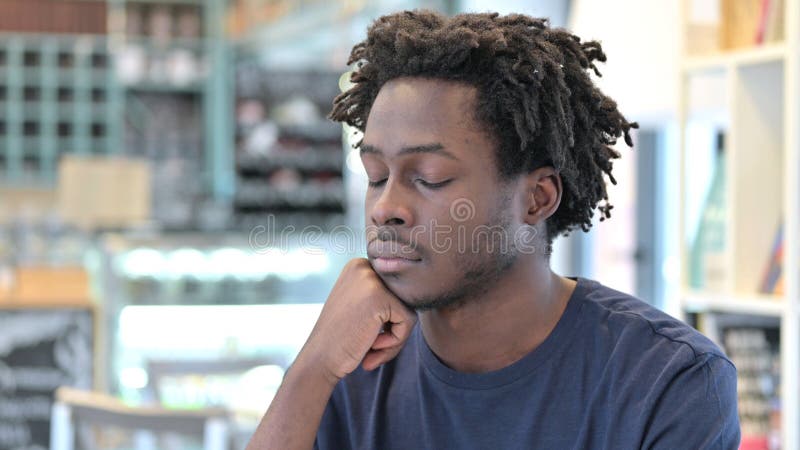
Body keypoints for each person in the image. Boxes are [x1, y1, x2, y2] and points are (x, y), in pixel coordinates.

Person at [247, 10, 740, 450]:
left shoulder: (665, 380)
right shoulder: (348, 369)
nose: (385, 209)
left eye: (428, 179)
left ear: (537, 198)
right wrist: (311, 370)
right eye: (376, 177)